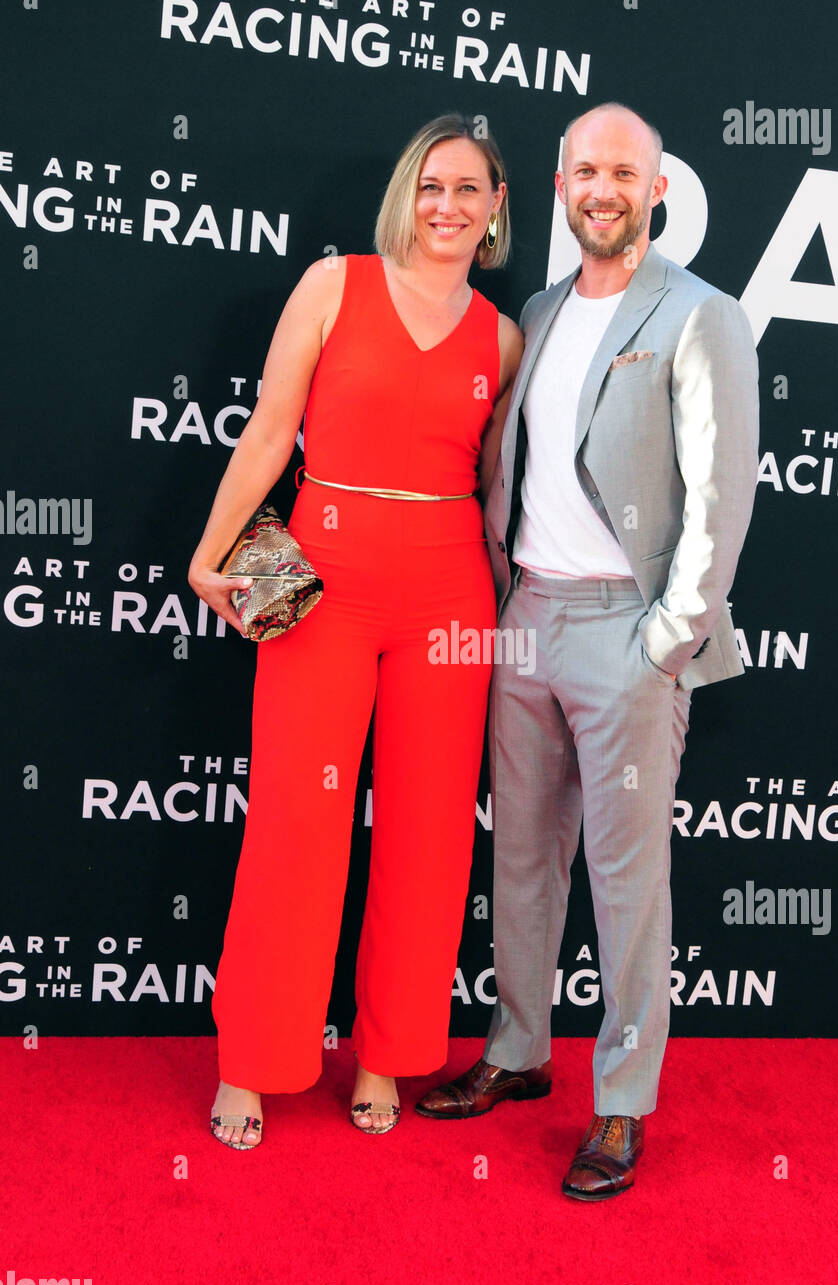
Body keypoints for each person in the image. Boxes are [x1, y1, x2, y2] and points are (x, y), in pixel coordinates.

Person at [416, 103, 759, 1200]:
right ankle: (517, 1052)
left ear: (655, 188)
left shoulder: (701, 315)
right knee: (519, 860)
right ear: (558, 187)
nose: (600, 188)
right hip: (525, 619)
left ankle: (620, 1102)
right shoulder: (539, 305)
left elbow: (719, 497)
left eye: (622, 171)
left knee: (625, 879)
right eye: (582, 170)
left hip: (627, 629)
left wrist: (666, 638)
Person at [189, 113, 522, 1148]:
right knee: (295, 821)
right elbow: (271, 428)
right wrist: (215, 551)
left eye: (467, 189)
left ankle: (387, 1054)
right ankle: (252, 1062)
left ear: (496, 207)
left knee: (427, 834)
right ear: (404, 195)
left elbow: (499, 487)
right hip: (317, 575)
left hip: (448, 594)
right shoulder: (334, 283)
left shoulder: (502, 336)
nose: (446, 206)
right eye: (430, 186)